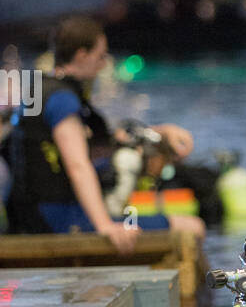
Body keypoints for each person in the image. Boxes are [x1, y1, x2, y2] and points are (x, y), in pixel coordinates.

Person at [4, 16, 204, 248]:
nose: (103, 64)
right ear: (82, 55)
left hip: (25, 216)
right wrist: (104, 226)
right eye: (100, 57)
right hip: (60, 220)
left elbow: (102, 141)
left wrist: (162, 131)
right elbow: (77, 165)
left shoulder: (37, 88)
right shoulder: (63, 100)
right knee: (192, 227)